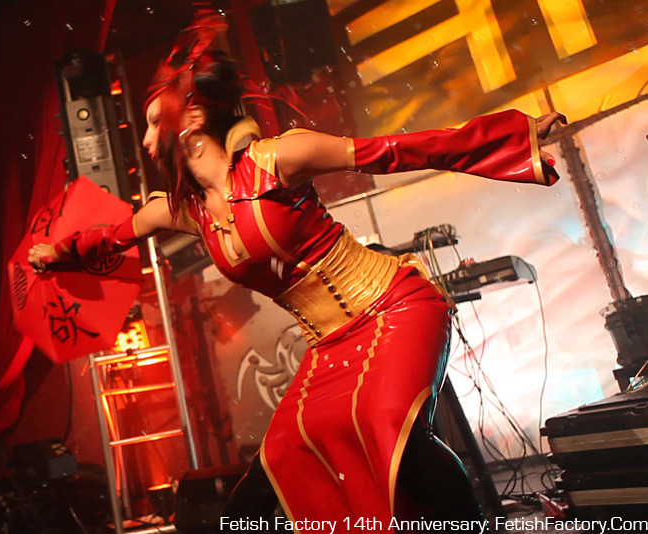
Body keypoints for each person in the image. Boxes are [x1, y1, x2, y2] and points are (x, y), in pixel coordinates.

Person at [28, 36, 565, 533]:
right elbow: (113, 235)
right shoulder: (185, 210)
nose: (145, 141)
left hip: (392, 308)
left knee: (391, 427)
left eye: (151, 123)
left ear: (191, 116)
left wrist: (515, 135)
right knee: (275, 468)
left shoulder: (276, 159)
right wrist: (58, 254)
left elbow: (396, 150)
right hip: (328, 348)